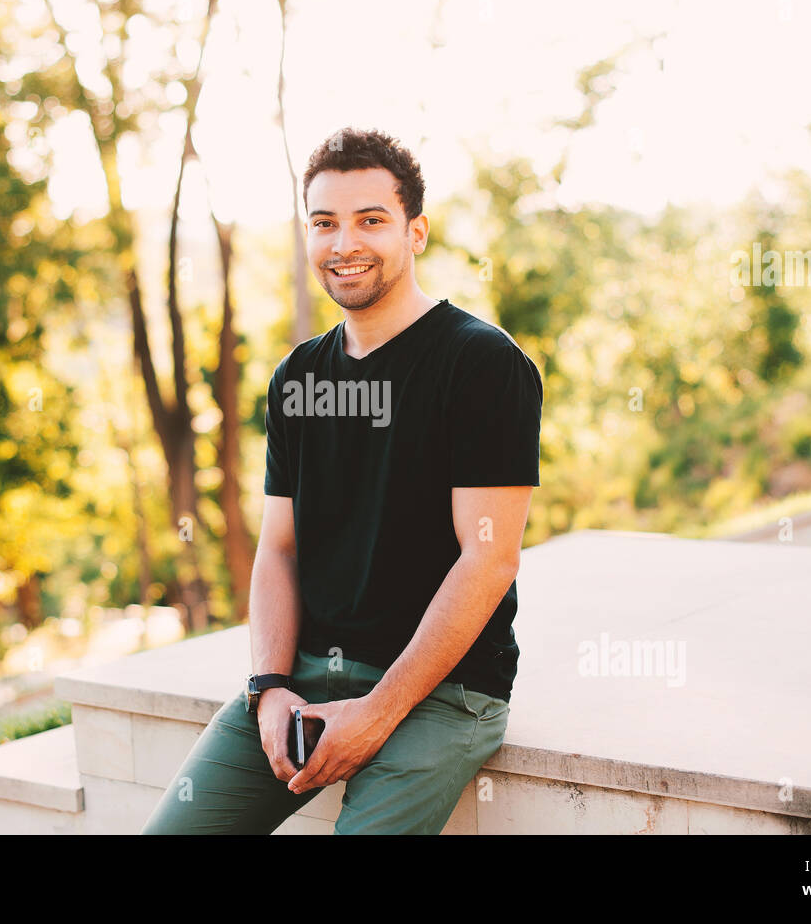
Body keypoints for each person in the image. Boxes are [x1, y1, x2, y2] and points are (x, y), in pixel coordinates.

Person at [140, 126, 543, 835]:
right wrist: (268, 687)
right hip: (304, 677)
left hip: (445, 693)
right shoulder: (297, 376)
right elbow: (280, 550)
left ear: (416, 233)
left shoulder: (482, 364)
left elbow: (489, 558)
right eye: (324, 223)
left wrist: (378, 713)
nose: (343, 243)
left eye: (371, 220)